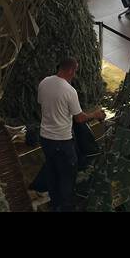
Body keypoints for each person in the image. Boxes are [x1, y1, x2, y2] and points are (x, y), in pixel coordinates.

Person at [36, 56, 106, 212]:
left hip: (45, 138)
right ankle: (66, 207)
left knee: (52, 172)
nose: (75, 74)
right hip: (62, 141)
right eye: (75, 71)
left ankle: (55, 204)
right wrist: (95, 114)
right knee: (67, 176)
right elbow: (79, 118)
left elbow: (42, 103)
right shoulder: (69, 91)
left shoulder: (44, 82)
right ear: (70, 70)